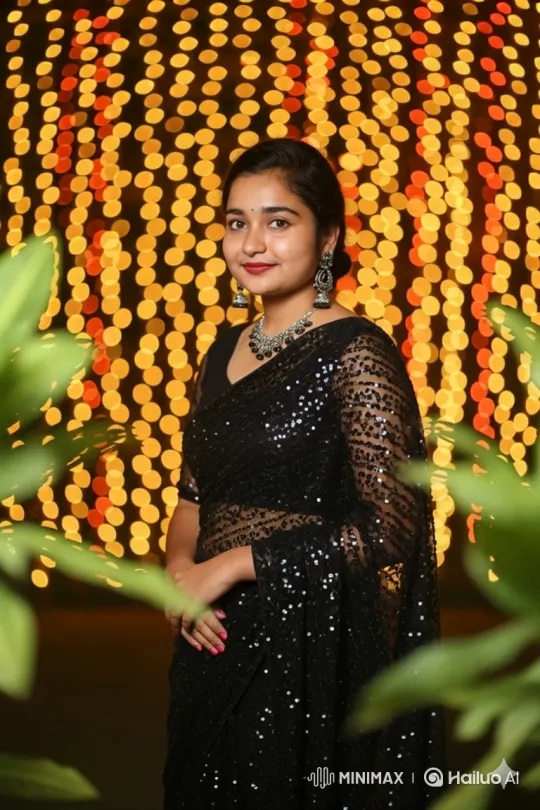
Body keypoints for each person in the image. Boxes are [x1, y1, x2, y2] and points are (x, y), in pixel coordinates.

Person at [162, 138, 445, 809]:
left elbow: (392, 527)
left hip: (310, 647)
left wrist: (233, 566)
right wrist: (179, 575)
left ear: (328, 239)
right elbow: (194, 496)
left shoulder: (357, 354)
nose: (252, 243)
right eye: (237, 222)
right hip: (210, 639)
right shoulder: (221, 351)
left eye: (279, 221)